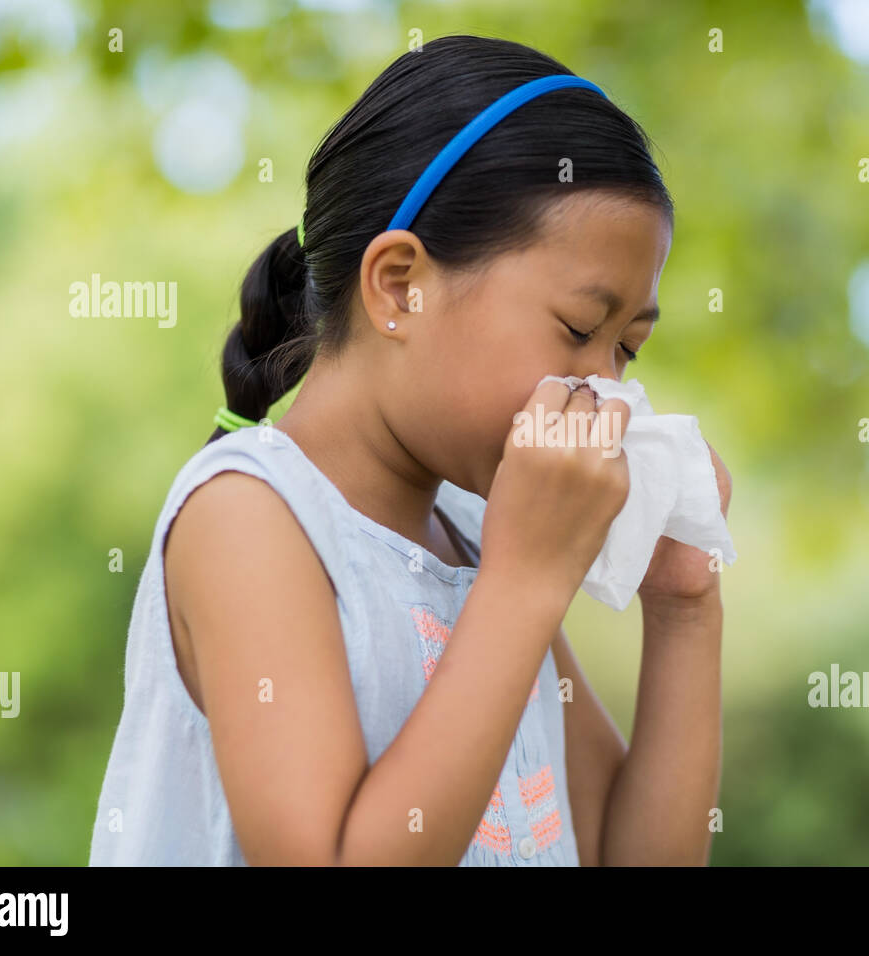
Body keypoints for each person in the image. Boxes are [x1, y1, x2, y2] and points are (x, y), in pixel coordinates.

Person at [88, 33, 730, 867]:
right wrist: (525, 582)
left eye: (626, 350)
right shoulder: (251, 519)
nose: (604, 391)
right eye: (578, 329)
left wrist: (685, 606)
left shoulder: (470, 540)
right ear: (400, 286)